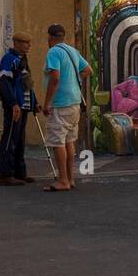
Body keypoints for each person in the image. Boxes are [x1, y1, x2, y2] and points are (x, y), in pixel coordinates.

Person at [42, 23, 91, 192]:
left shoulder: (53, 52)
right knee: (70, 141)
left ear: (50, 37)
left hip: (60, 103)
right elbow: (88, 70)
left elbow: (54, 78)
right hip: (75, 101)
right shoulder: (72, 51)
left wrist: (47, 102)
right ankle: (70, 178)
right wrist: (73, 79)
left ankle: (62, 180)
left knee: (58, 141)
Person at [0, 31, 38, 186]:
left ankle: (20, 173)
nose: (29, 45)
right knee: (10, 139)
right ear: (16, 43)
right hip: (15, 107)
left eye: (29, 43)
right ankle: (6, 174)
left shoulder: (23, 60)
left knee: (20, 139)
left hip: (25, 106)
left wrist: (35, 103)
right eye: (25, 42)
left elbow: (27, 84)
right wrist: (13, 103)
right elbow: (5, 83)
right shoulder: (9, 60)